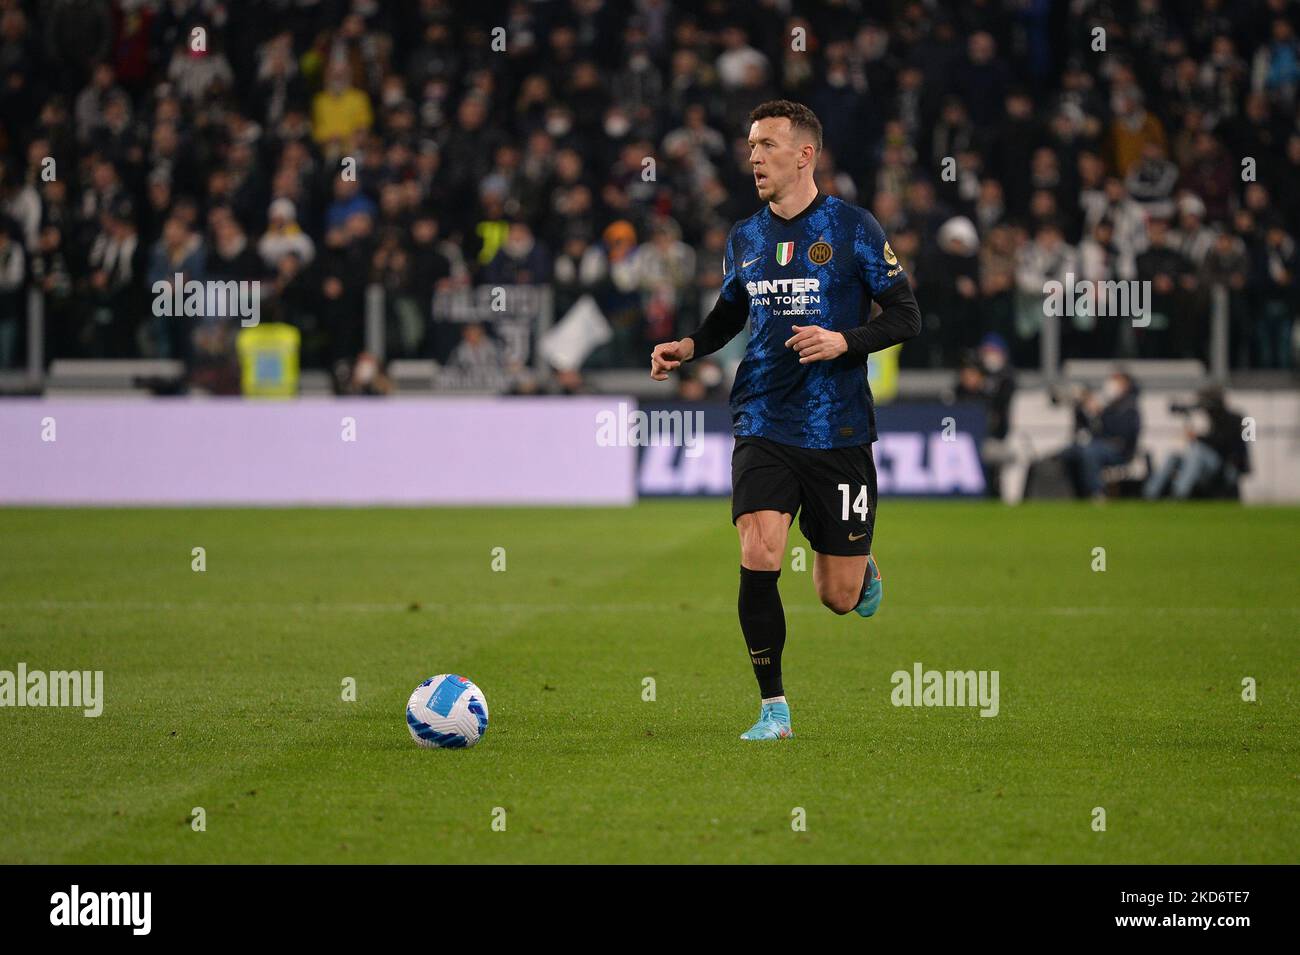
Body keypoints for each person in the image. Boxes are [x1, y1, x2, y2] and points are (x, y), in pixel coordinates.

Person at [649, 101, 921, 741]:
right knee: (760, 549)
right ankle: (774, 708)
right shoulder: (744, 237)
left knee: (837, 595)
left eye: (768, 145)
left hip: (839, 429)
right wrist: (689, 346)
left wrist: (843, 341)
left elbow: (906, 316)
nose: (754, 157)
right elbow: (729, 314)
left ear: (805, 154)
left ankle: (861, 566)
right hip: (763, 418)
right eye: (750, 146)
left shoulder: (853, 229)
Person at [1144, 387, 1248, 499]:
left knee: (1198, 452)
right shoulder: (1214, 420)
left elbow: (1222, 442)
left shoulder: (1233, 419)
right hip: (1207, 462)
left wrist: (1197, 437)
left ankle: (1180, 494)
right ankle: (1150, 494)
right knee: (1172, 456)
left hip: (1222, 464)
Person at [1060, 371, 1142, 500]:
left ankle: (1097, 493)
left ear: (1125, 385)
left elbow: (1121, 435)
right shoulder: (1110, 405)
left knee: (1090, 452)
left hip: (1119, 450)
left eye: (1116, 382)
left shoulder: (1129, 407)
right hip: (1100, 446)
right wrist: (1084, 410)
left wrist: (1100, 413)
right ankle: (1074, 492)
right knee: (1071, 451)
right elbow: (1090, 430)